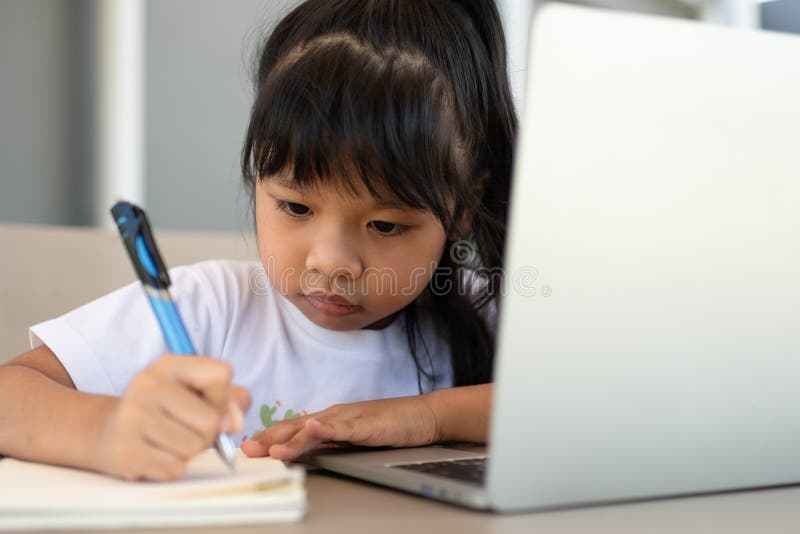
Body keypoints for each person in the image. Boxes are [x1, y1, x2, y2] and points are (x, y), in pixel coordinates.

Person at [0, 0, 516, 481]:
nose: (330, 263)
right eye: (296, 207)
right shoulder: (211, 306)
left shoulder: (480, 310)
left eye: (385, 226)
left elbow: (564, 404)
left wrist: (428, 416)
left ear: (463, 208)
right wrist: (104, 430)